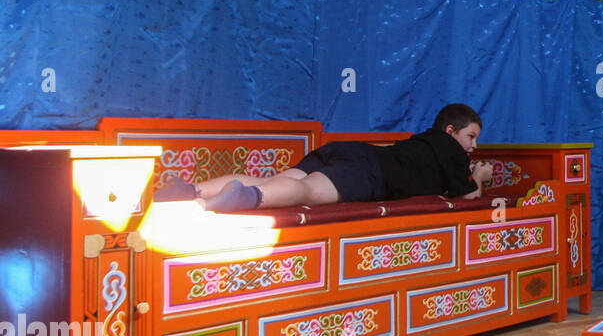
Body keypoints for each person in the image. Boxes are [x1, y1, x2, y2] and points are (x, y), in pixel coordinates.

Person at [155, 103, 493, 211]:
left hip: (348, 151)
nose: (474, 145)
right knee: (307, 192)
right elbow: (468, 195)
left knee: (277, 181)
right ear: (450, 130)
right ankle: (247, 198)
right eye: (471, 136)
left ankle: (193, 189)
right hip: (370, 171)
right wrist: (478, 175)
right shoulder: (449, 148)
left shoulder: (423, 142)